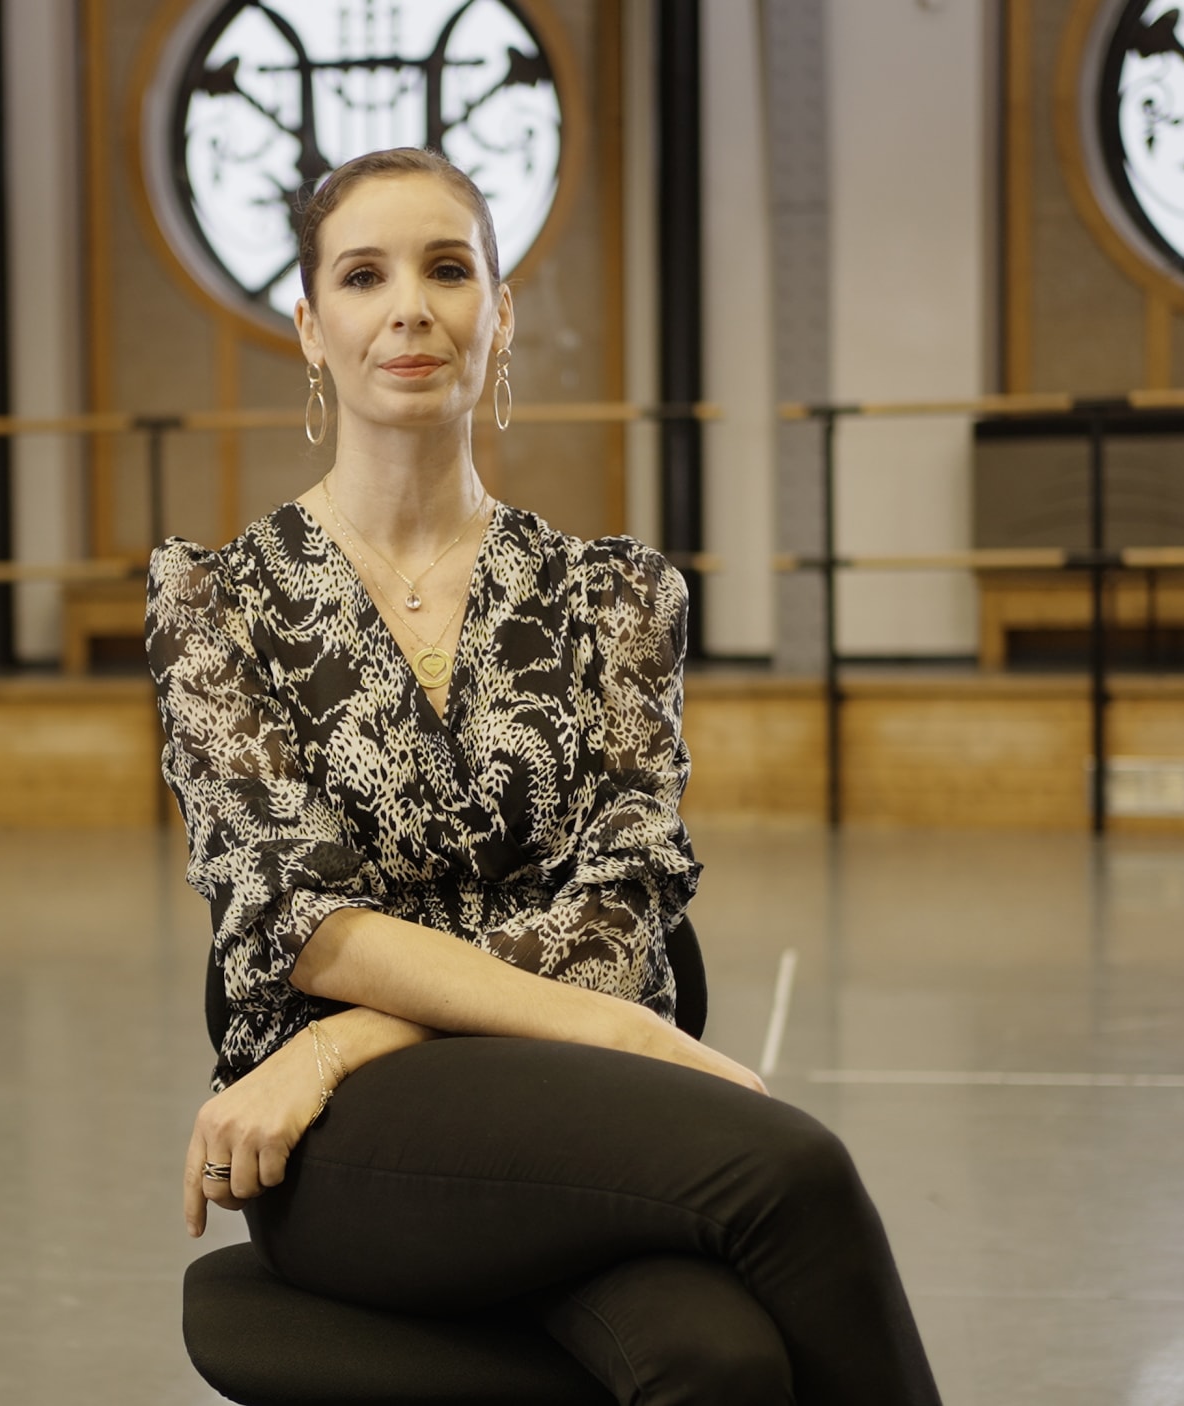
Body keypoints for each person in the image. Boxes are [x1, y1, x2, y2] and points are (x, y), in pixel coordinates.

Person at [147, 147, 940, 1406]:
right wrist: (353, 1055)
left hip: (523, 1088)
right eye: (365, 274)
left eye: (448, 268)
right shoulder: (214, 602)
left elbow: (624, 899)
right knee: (789, 1169)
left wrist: (351, 1040)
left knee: (716, 1361)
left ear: (499, 313)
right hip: (346, 1152)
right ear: (310, 326)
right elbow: (302, 918)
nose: (410, 304)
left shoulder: (617, 593)